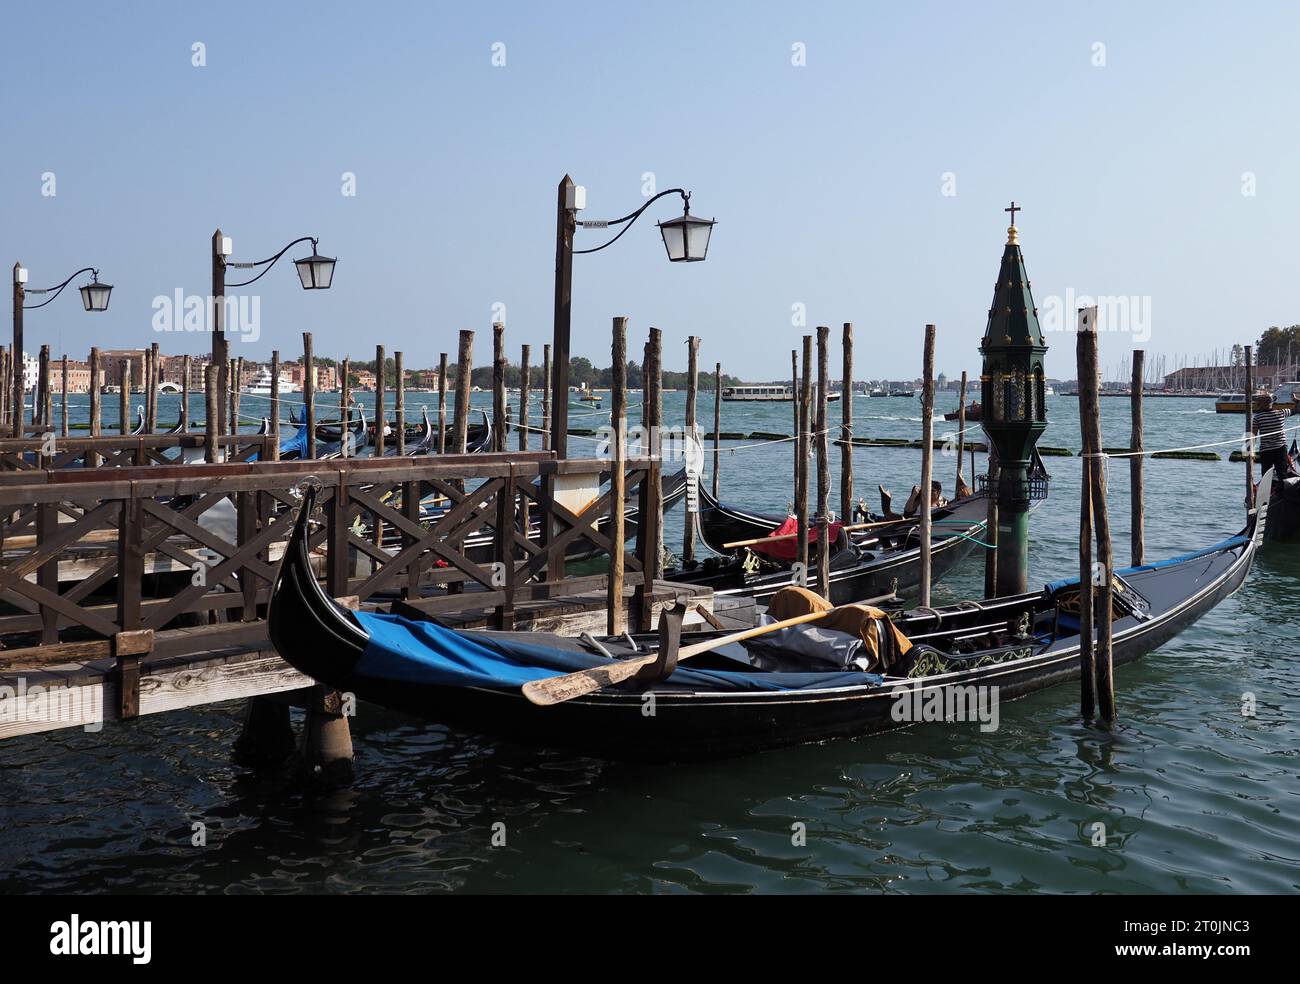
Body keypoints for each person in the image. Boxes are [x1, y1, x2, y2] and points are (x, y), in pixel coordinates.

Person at [1252, 393, 1290, 480]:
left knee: (1266, 475)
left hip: (1266, 450)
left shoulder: (1257, 418)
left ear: (1261, 404)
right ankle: (1282, 490)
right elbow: (1297, 409)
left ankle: (1268, 490)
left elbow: (1253, 436)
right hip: (1280, 449)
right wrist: (1296, 400)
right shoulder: (1282, 413)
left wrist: (1249, 451)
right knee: (1282, 473)